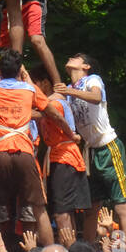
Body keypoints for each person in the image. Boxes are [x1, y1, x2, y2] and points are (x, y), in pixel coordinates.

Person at [0, 49, 73, 246]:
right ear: (19, 70)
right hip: (25, 152)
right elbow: (54, 115)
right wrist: (71, 134)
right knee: (39, 208)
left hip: (0, 151)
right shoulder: (30, 90)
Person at [56, 54, 126, 248]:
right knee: (91, 207)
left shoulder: (92, 80)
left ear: (86, 66)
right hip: (89, 152)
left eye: (76, 57)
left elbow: (96, 97)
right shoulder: (68, 90)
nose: (71, 58)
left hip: (109, 147)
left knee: (121, 205)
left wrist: (69, 93)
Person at [31, 67, 90, 241]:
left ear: (45, 83)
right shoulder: (49, 103)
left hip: (65, 157)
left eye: (34, 84)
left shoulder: (54, 103)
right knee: (66, 211)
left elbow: (52, 115)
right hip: (62, 156)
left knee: (61, 212)